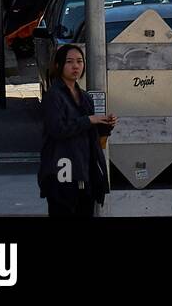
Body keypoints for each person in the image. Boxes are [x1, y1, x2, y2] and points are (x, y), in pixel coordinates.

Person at [38, 45, 115, 218]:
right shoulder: (54, 96)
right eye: (70, 62)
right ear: (58, 65)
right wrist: (89, 120)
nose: (76, 66)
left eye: (79, 62)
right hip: (61, 168)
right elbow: (57, 129)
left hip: (84, 170)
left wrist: (105, 124)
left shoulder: (85, 97)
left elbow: (94, 137)